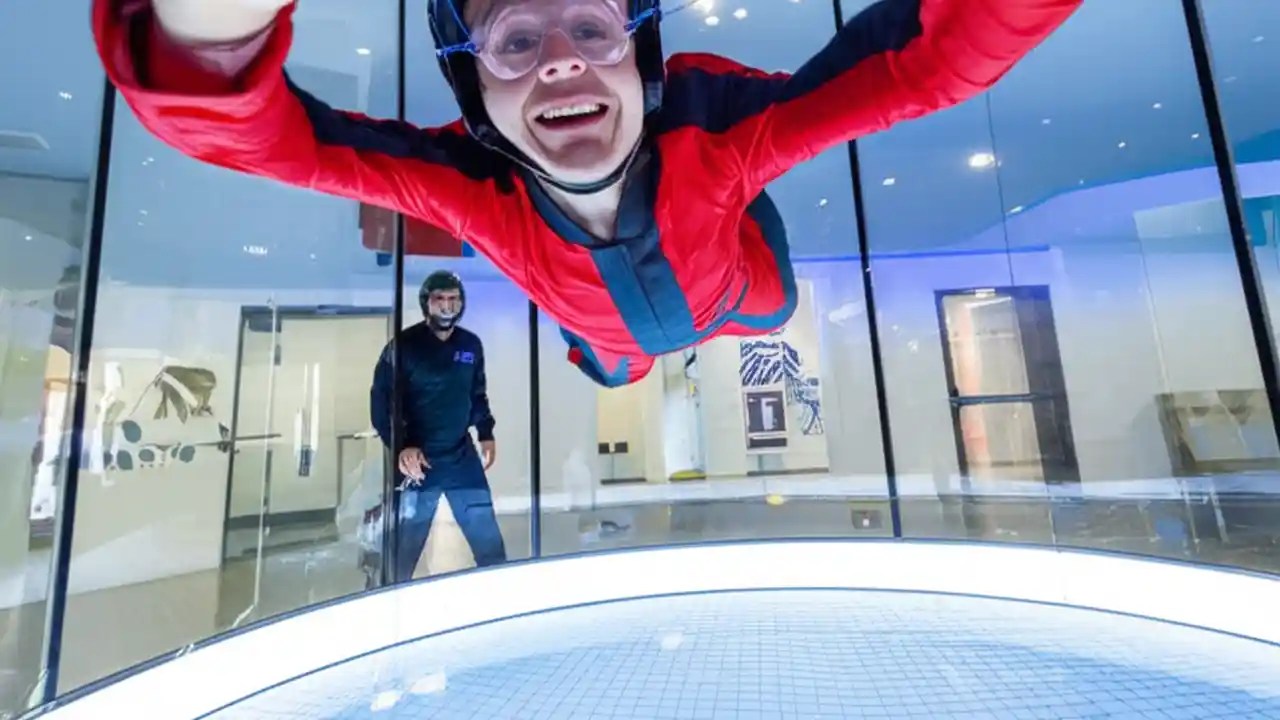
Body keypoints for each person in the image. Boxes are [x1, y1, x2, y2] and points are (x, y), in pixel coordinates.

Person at [92, 0, 1082, 387]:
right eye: (517, 39)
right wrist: (208, 29)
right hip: (604, 334)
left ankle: (715, 281)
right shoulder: (465, 180)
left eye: (593, 28)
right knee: (613, 369)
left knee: (775, 302)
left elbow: (928, 62)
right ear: (473, 87)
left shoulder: (713, 120)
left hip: (740, 289)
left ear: (639, 58)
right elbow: (270, 142)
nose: (561, 61)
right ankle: (617, 358)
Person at [370, 271, 507, 580]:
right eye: (439, 298)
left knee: (488, 540)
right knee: (403, 548)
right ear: (426, 303)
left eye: (453, 299)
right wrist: (401, 445)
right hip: (418, 461)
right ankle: (389, 596)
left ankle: (500, 590)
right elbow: (381, 402)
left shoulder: (470, 345)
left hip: (461, 457)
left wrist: (485, 432)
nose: (447, 305)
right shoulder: (404, 346)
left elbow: (477, 393)